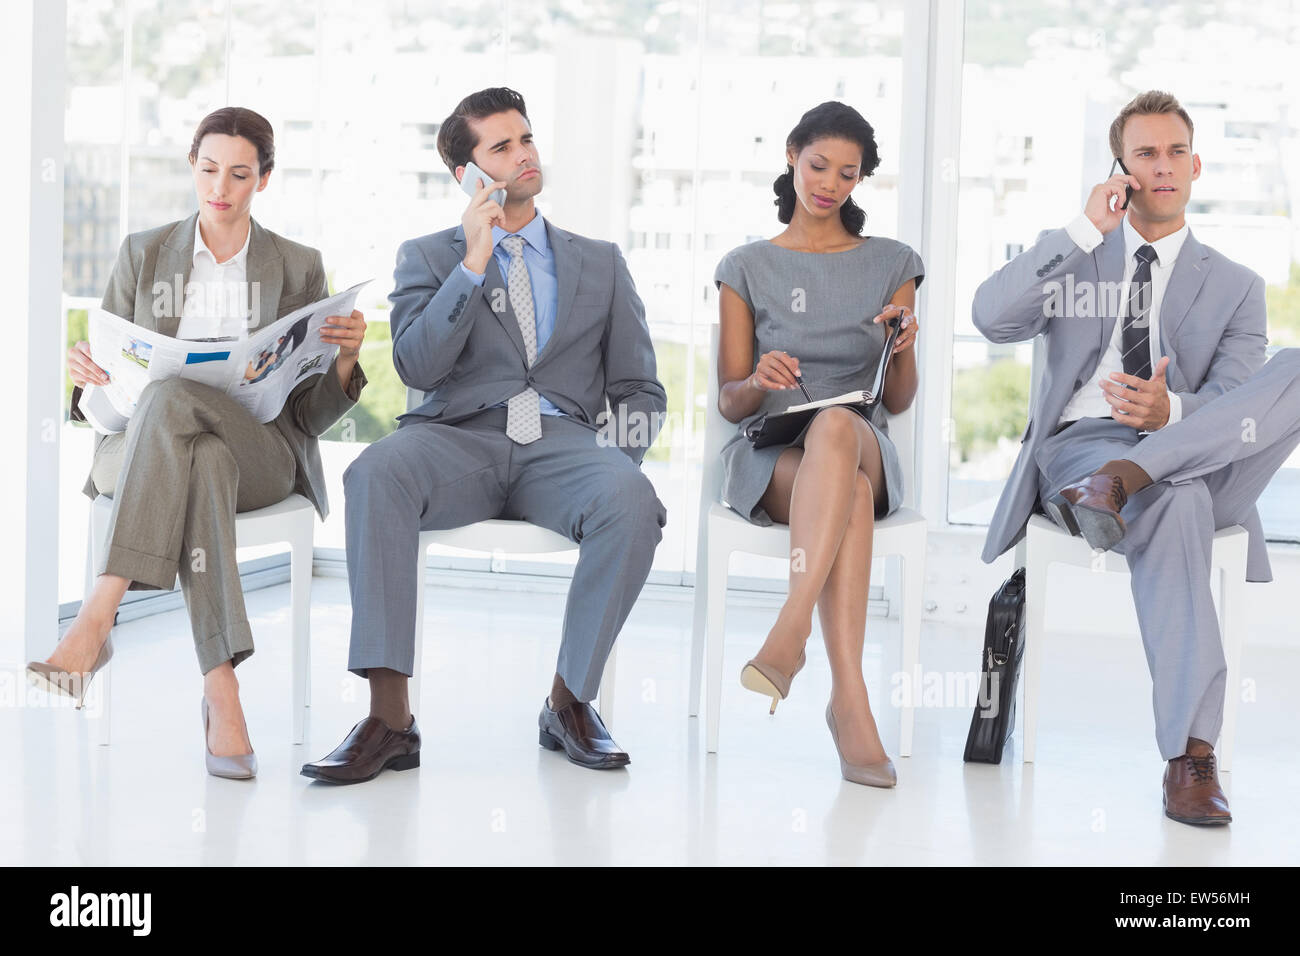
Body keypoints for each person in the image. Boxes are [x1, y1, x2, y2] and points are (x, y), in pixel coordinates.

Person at [300, 87, 667, 784]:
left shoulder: (601, 261)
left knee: (632, 498)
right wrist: (473, 262)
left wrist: (613, 461)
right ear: (466, 174)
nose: (524, 155)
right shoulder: (428, 257)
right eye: (501, 147)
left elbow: (641, 388)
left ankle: (568, 702)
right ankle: (388, 719)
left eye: (525, 138)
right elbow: (416, 365)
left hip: (563, 446)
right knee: (375, 472)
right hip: (457, 440)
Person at [971, 89, 1295, 826]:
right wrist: (1085, 228)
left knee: (1298, 367)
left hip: (1204, 455)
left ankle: (1134, 475)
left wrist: (1173, 412)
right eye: (1145, 153)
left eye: (1176, 151)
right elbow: (990, 318)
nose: (1164, 166)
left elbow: (1242, 397)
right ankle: (1191, 756)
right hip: (1084, 453)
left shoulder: (1237, 285)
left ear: (1197, 165)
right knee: (1177, 498)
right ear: (1119, 170)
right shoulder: (1077, 260)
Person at [27, 107, 368, 779]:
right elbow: (108, 401)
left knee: (181, 410)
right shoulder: (143, 253)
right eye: (208, 169)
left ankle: (97, 618)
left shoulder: (298, 266)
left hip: (261, 452)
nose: (220, 187)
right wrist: (87, 377)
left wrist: (345, 366)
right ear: (192, 167)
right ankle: (222, 690)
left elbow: (310, 415)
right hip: (142, 446)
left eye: (239, 174)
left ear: (263, 179)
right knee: (182, 430)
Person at [713, 101, 924, 788]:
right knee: (848, 494)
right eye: (818, 166)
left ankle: (791, 629)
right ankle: (850, 703)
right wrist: (757, 379)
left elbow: (896, 399)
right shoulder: (745, 266)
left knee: (837, 428)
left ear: (861, 181)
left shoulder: (892, 262)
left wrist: (906, 345)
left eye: (848, 173)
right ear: (790, 156)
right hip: (776, 455)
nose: (830, 183)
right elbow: (729, 399)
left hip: (860, 437)